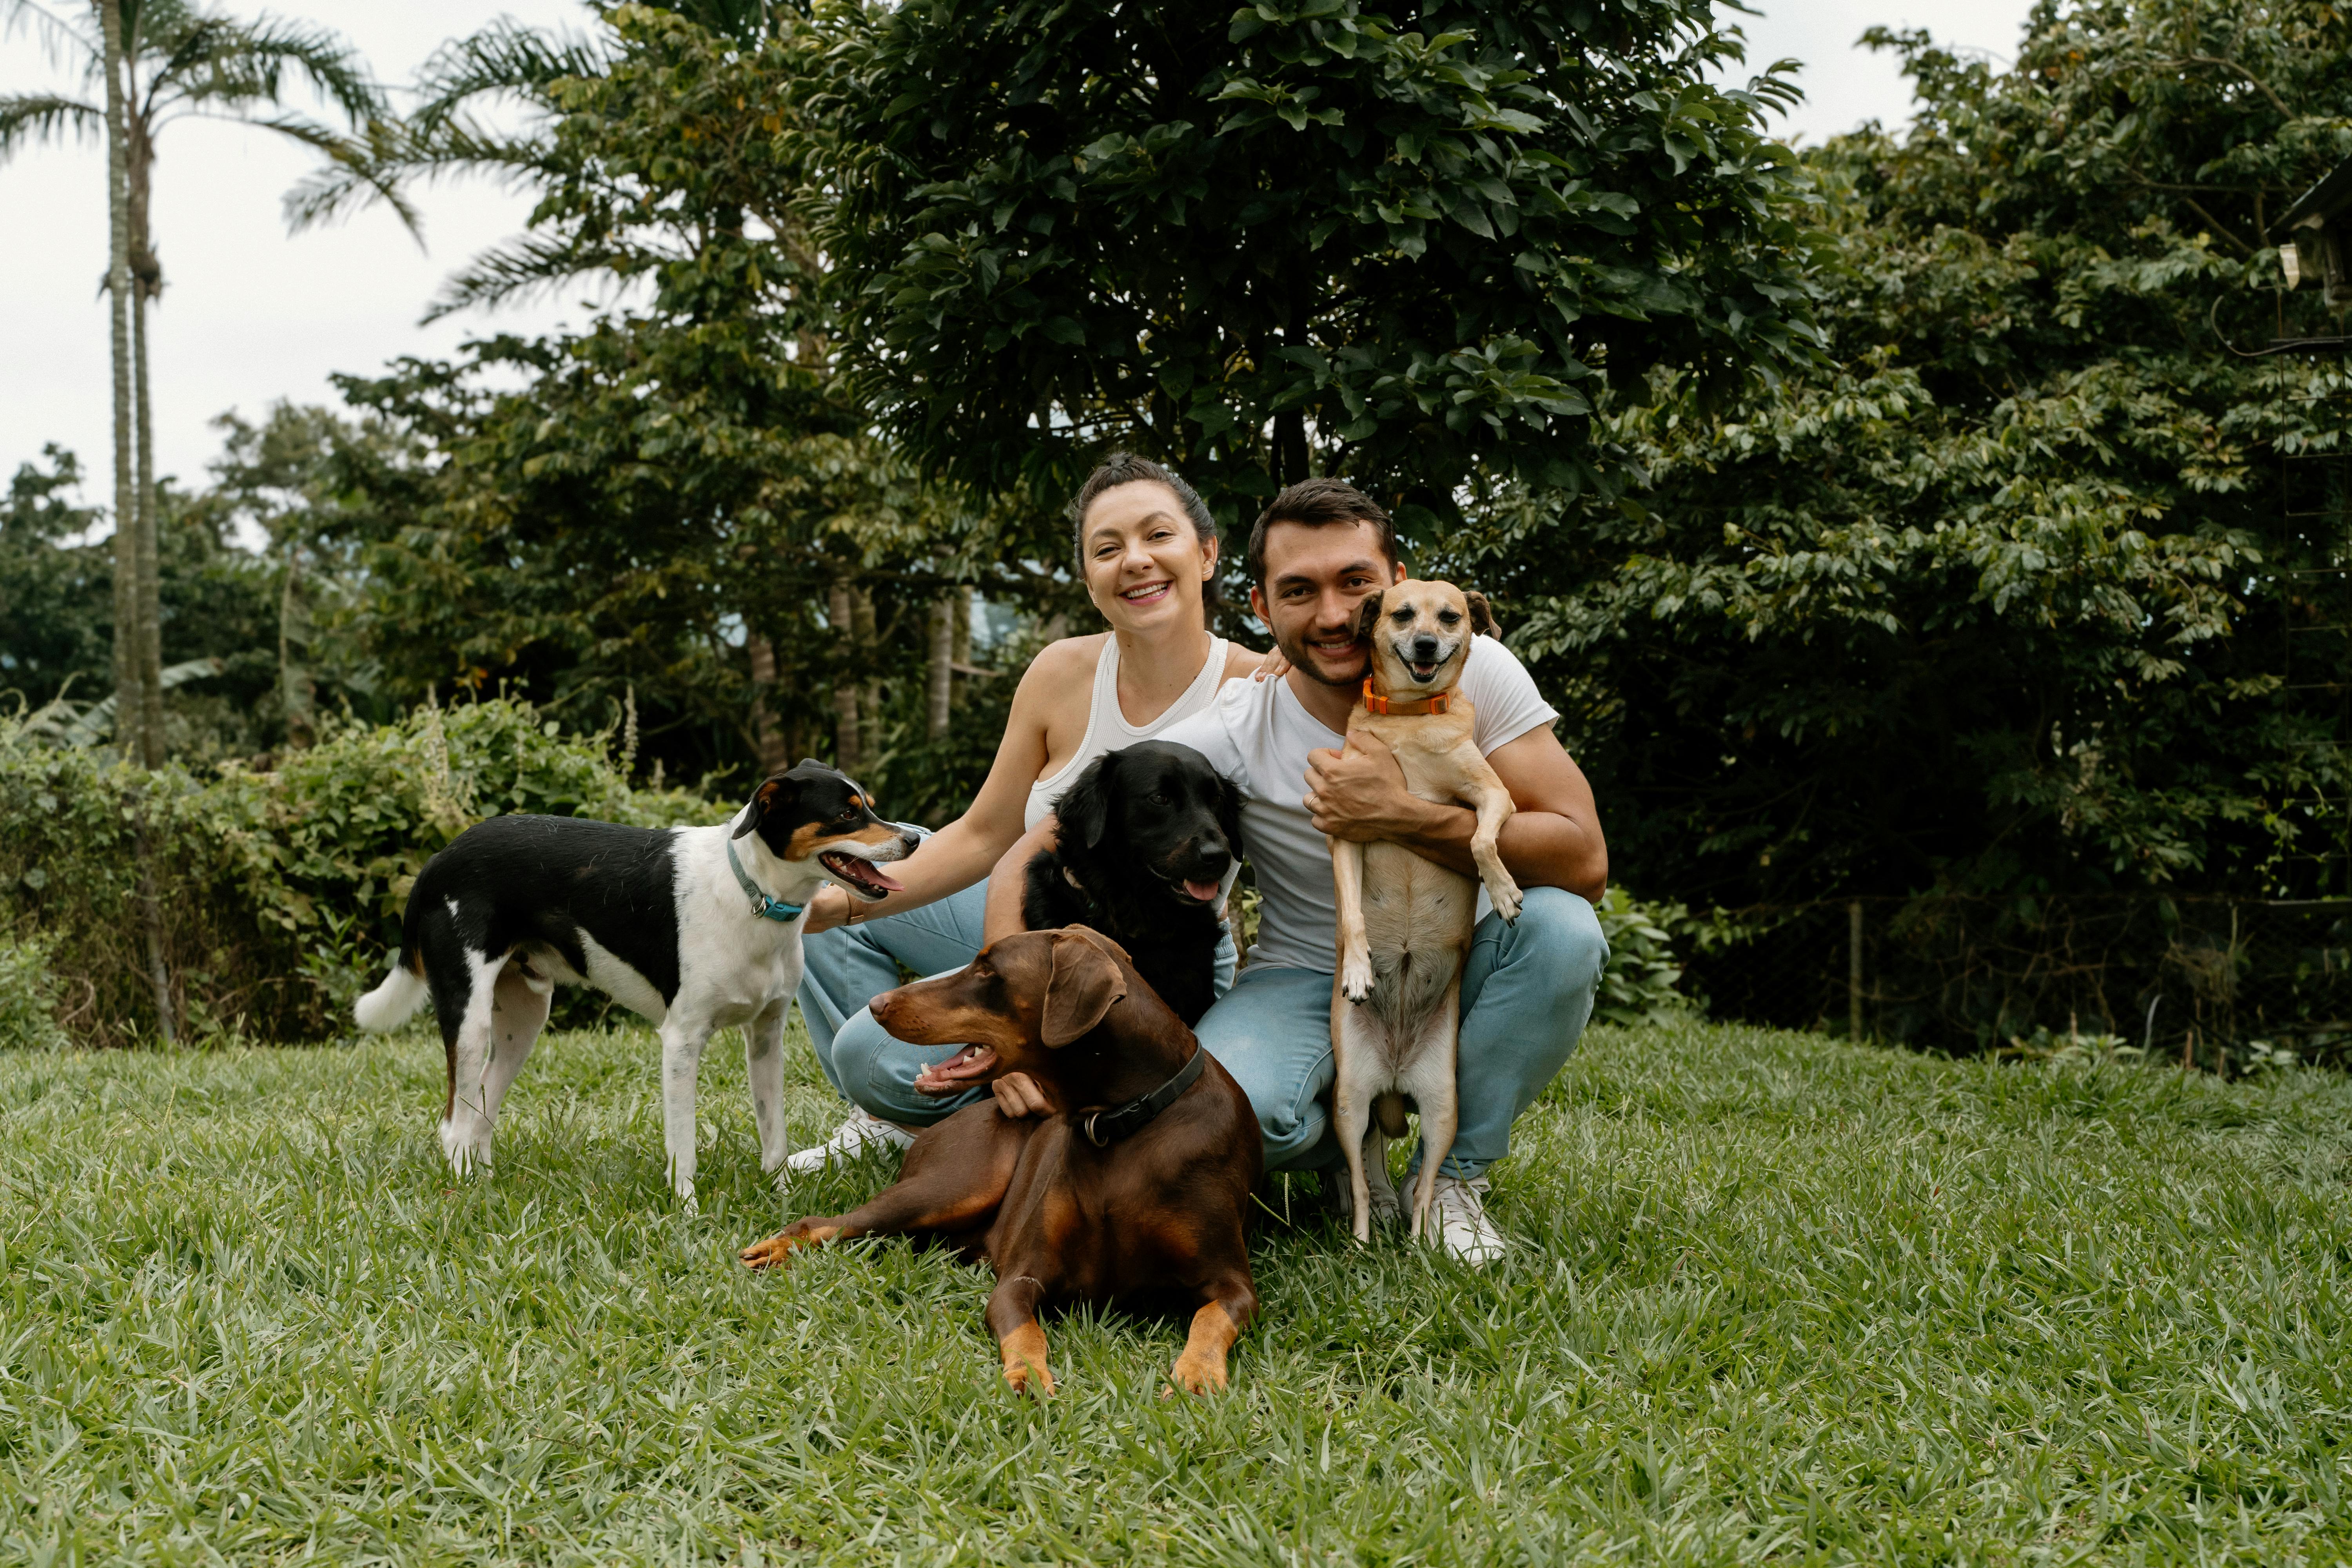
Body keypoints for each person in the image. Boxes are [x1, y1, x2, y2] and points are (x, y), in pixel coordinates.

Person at [970, 477, 1612, 1265]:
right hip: (1309, 974)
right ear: (1262, 609)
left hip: (1457, 957)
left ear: (1397, 583)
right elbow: (1036, 848)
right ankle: (1348, 1153)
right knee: (1232, 1121)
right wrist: (1014, 1034)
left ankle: (1453, 1177)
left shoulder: (1478, 671)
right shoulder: (1241, 724)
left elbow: (1584, 859)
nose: (1335, 615)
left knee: (1561, 929)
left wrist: (1403, 814)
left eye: (1356, 583)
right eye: (1299, 592)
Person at [785, 453, 1270, 1171]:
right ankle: (893, 1114)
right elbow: (986, 836)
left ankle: (998, 1103)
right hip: (1034, 919)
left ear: (1205, 554)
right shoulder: (1060, 673)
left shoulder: (1261, 685)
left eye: (1157, 537)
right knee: (827, 882)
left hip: (1164, 953)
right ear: (1088, 579)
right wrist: (829, 908)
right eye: (1107, 549)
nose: (1134, 562)